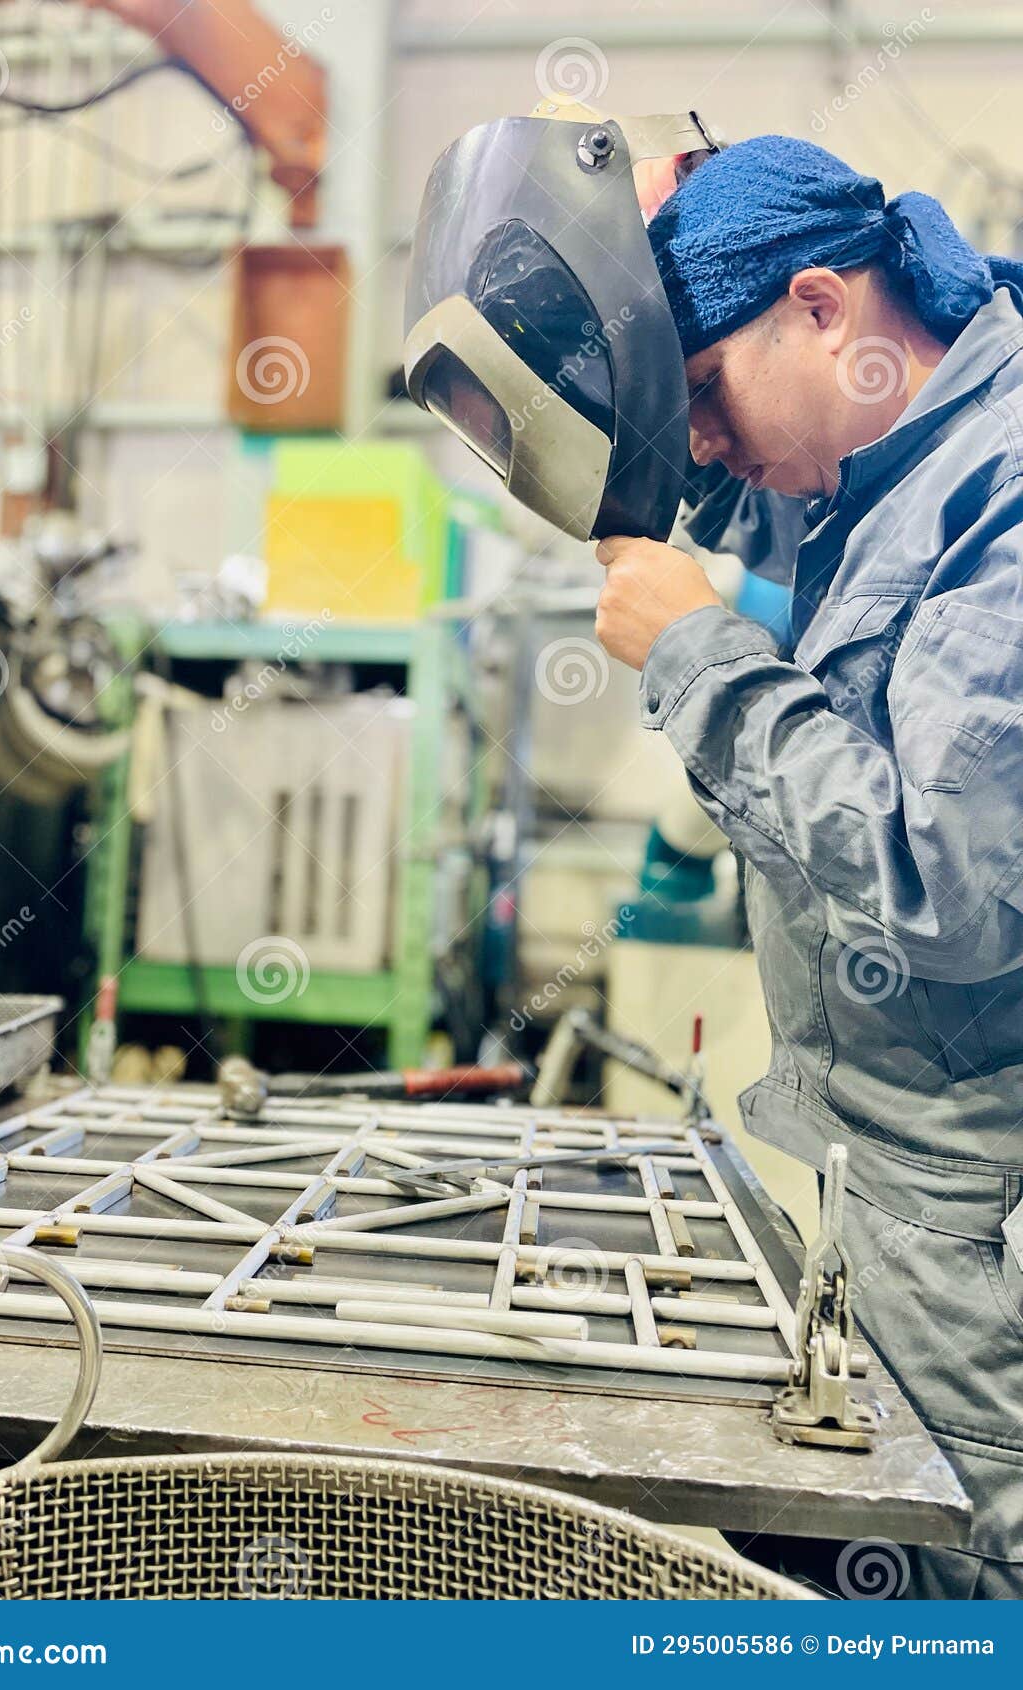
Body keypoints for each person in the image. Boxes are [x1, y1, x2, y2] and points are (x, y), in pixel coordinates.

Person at [592, 134, 1023, 1599]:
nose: (703, 444)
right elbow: (709, 487)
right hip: (877, 1183)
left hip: (965, 1230)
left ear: (825, 307)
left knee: (975, 1601)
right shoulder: (878, 455)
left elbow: (945, 887)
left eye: (705, 391)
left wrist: (698, 658)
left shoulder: (1002, 495)